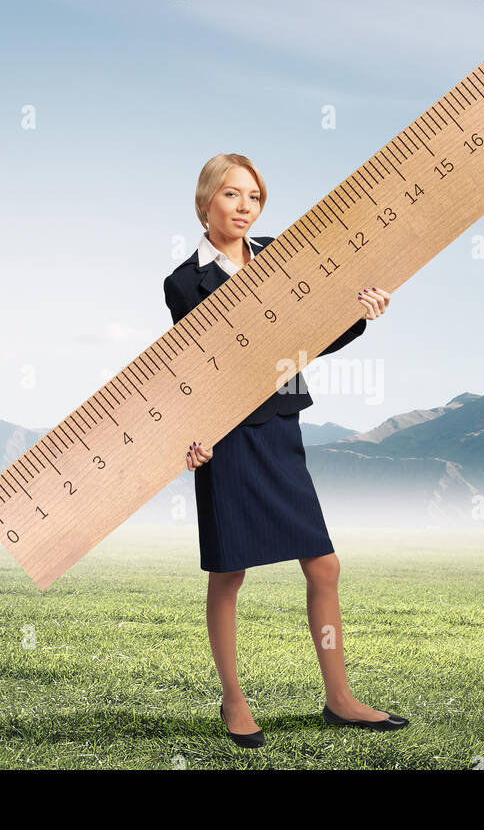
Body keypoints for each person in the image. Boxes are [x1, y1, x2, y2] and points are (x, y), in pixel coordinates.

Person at [162, 153, 408, 748]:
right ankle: (234, 699)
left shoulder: (281, 255)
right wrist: (187, 439)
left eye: (254, 197)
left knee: (324, 565)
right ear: (205, 203)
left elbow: (314, 332)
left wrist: (361, 311)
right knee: (229, 573)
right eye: (231, 195)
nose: (244, 207)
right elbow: (192, 368)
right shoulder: (181, 283)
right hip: (225, 435)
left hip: (280, 424)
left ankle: (340, 698)